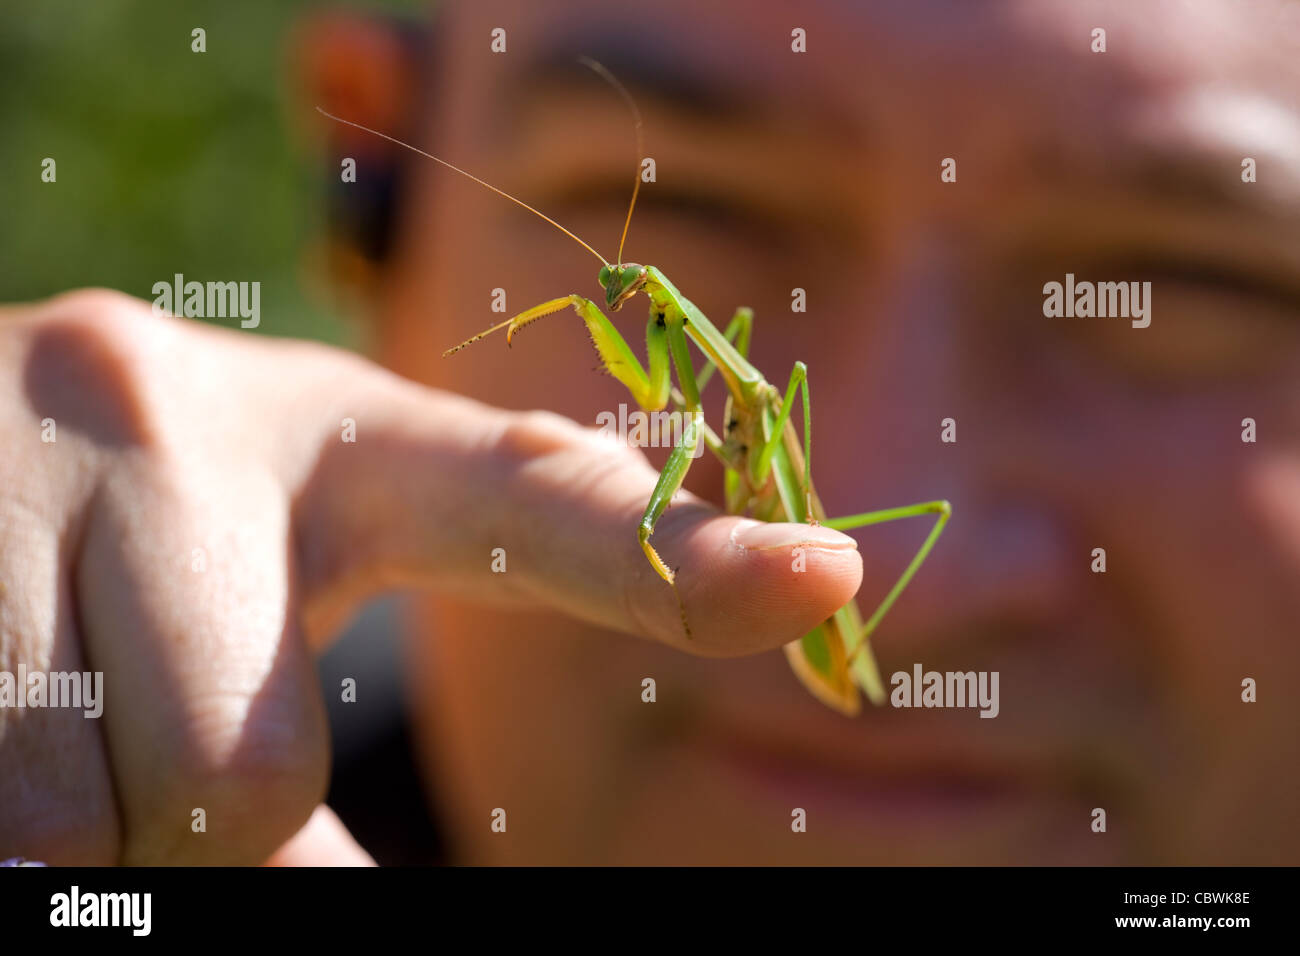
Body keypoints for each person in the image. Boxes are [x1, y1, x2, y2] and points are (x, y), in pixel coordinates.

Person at [2, 0, 1297, 864]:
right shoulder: (227, 738)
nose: (932, 606)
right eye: (687, 200)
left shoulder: (780, 439)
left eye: (1186, 278)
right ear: (366, 200)